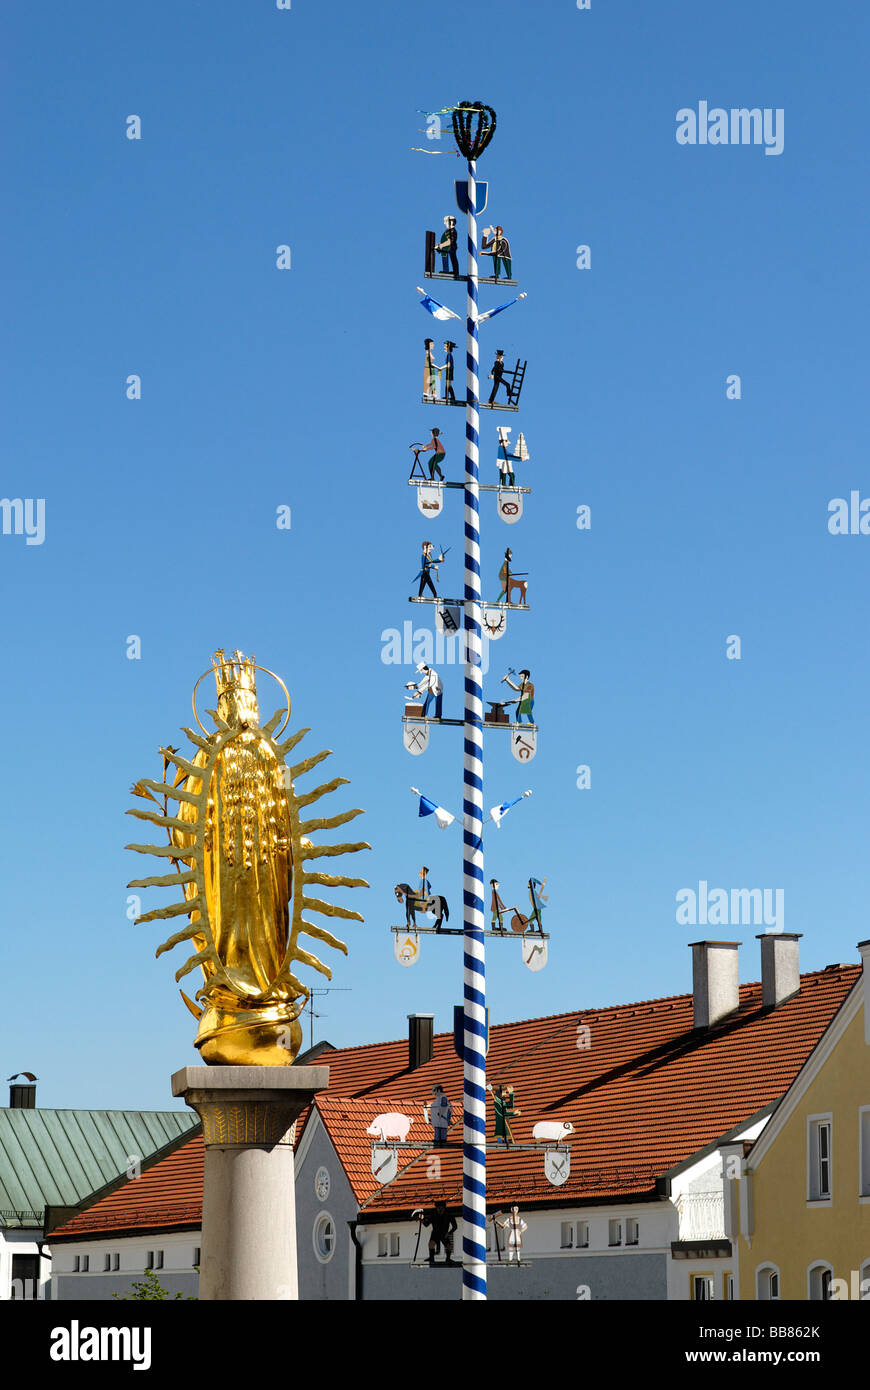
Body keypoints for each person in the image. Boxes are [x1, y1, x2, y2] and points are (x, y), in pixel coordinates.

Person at [420, 1202, 458, 1266]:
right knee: (431, 1244)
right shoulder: (433, 1215)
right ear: (436, 1208)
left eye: (441, 1208)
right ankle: (431, 1258)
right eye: (438, 1208)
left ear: (444, 1208)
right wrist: (422, 1219)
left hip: (444, 1233)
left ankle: (448, 1259)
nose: (440, 1210)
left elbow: (455, 1226)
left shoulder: (449, 1215)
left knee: (449, 1246)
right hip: (435, 1233)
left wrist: (449, 1233)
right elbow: (426, 1224)